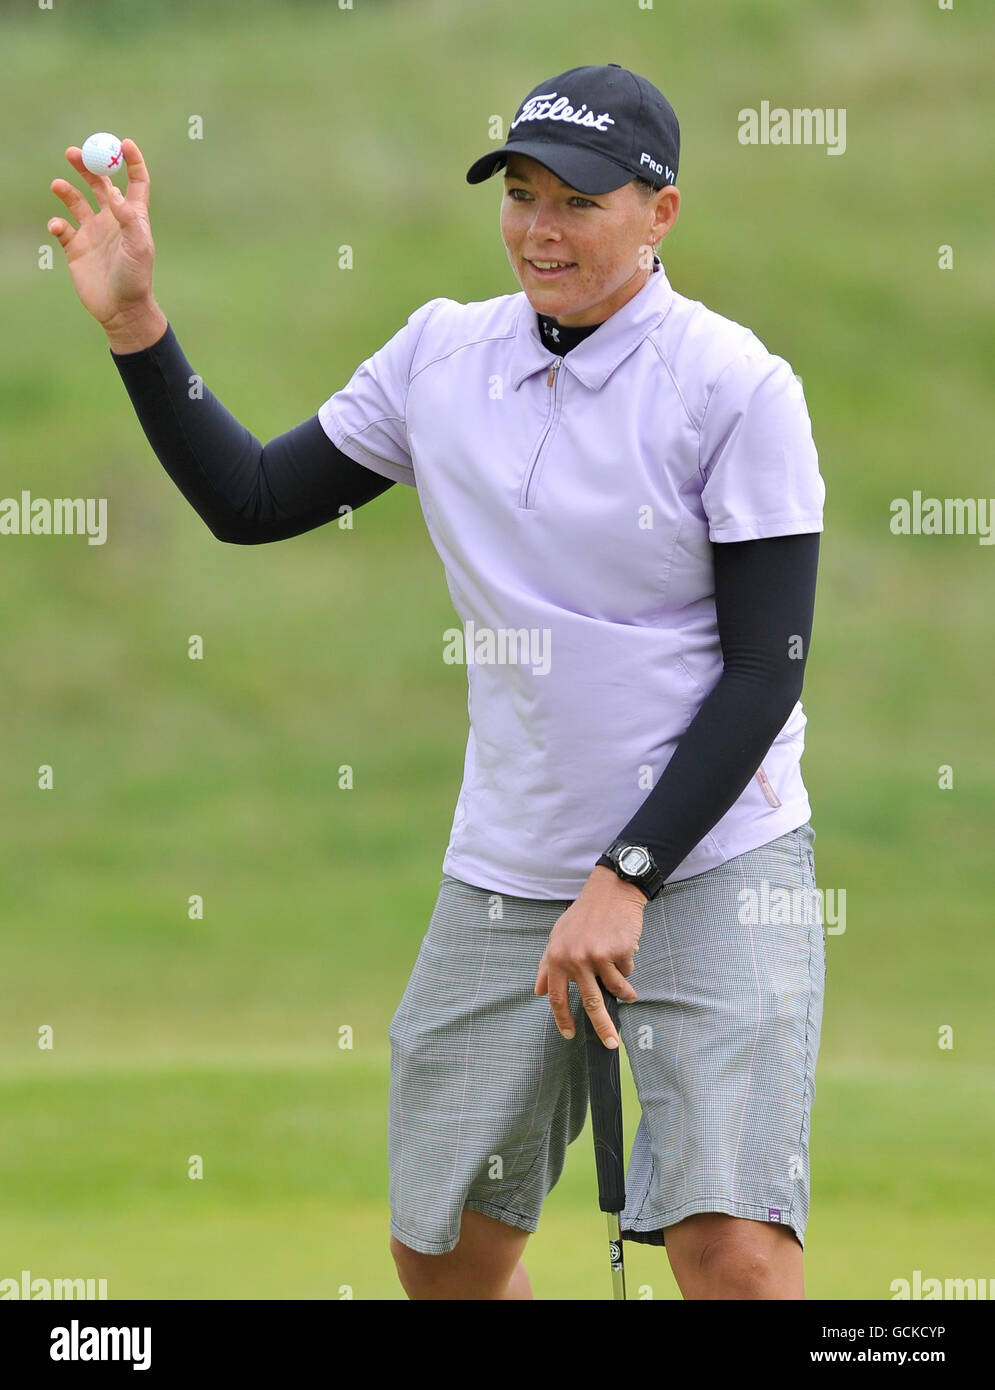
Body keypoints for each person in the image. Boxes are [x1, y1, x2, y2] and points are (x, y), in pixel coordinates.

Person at [48, 62, 827, 1301]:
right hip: (509, 864)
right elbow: (248, 501)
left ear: (659, 212)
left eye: (576, 199)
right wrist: (139, 327)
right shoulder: (437, 358)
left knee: (726, 1250)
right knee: (444, 1253)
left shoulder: (735, 386)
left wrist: (626, 875)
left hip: (708, 856)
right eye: (520, 194)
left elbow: (762, 671)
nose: (540, 228)